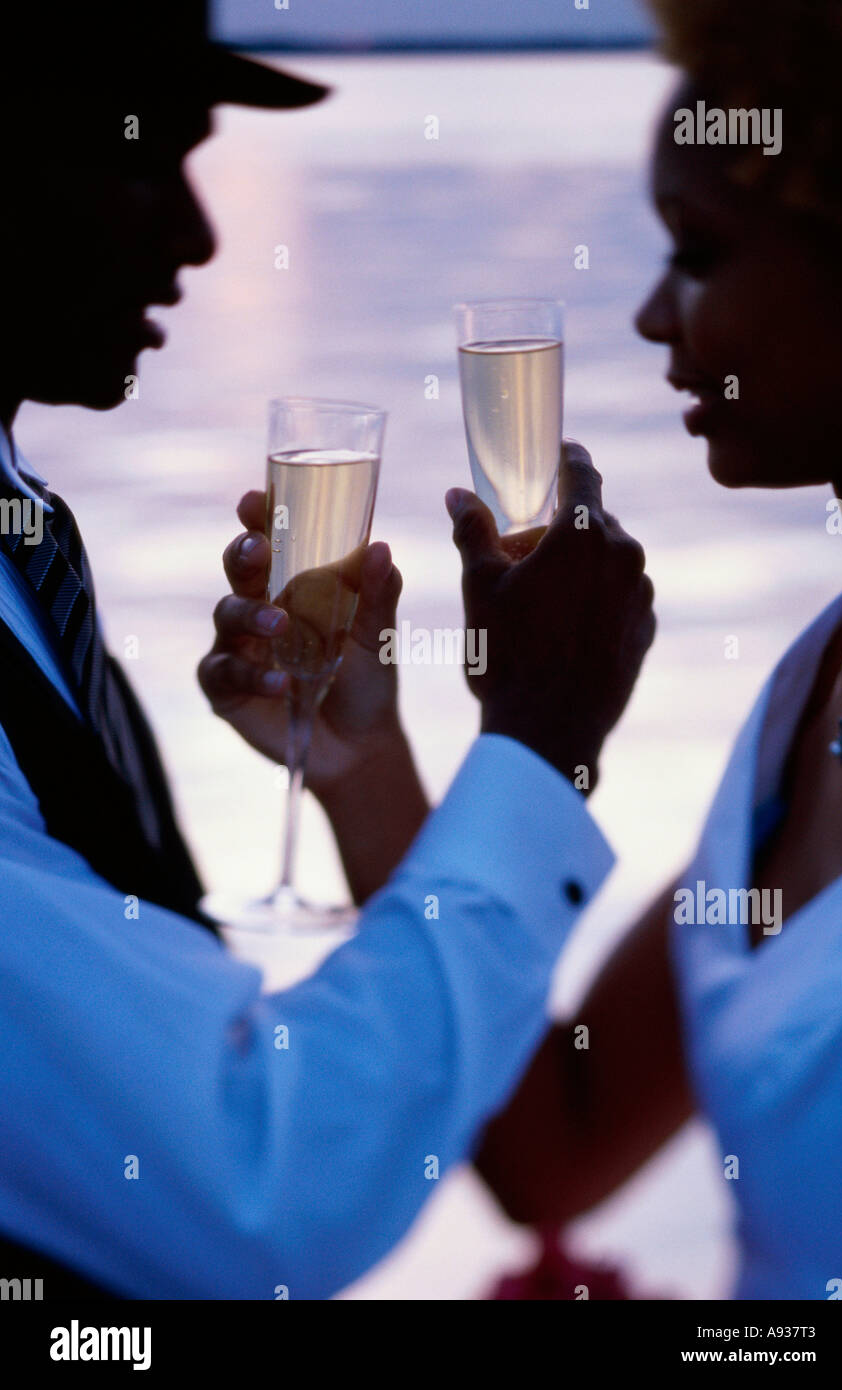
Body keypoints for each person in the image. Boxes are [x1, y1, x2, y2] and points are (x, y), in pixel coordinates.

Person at [0, 4, 654, 1297]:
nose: (196, 236)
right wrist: (534, 743)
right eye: (138, 155)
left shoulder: (25, 531)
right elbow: (265, 1178)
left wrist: (360, 768)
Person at [467, 0, 842, 1301]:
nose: (647, 317)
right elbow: (557, 1144)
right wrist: (431, 754)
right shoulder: (818, 678)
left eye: (696, 250)